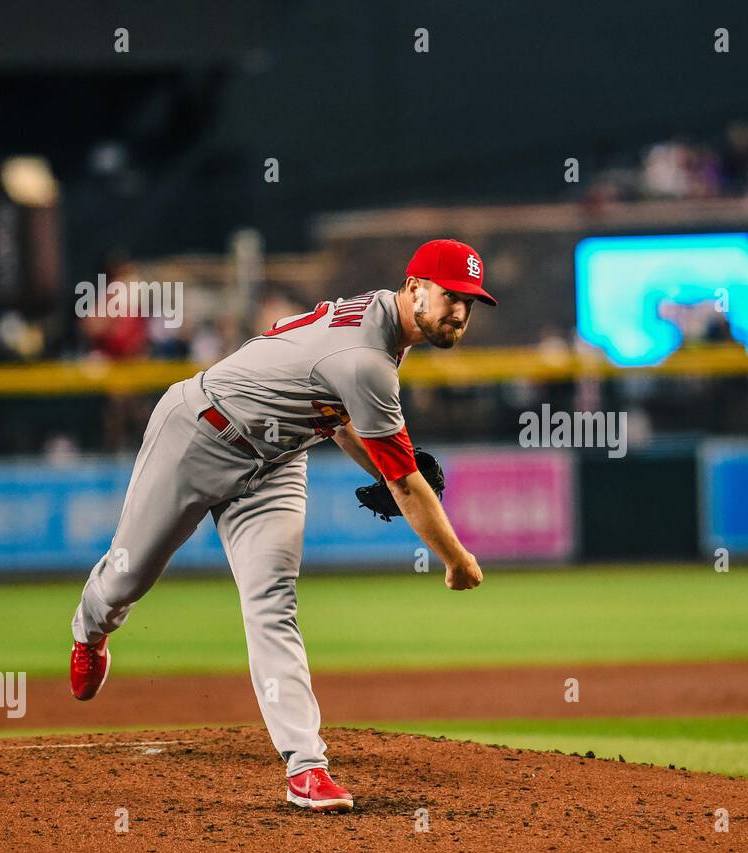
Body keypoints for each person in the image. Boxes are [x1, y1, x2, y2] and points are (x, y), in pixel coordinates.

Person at [69, 239, 493, 810]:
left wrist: (394, 472)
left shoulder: (384, 328)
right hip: (197, 433)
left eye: (470, 301)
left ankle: (306, 766)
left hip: (276, 458)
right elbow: (403, 481)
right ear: (415, 288)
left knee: (273, 600)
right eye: (451, 296)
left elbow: (342, 421)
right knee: (127, 577)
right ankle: (90, 630)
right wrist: (456, 559)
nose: (461, 311)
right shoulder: (368, 357)